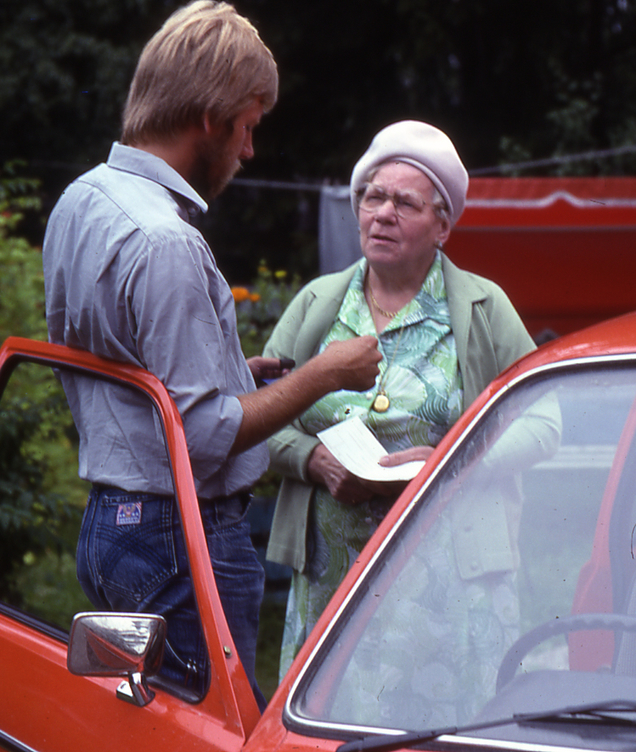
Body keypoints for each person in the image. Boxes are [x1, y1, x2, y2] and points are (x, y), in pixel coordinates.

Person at [41, 1, 382, 705]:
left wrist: (232, 374)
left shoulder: (82, 201)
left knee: (135, 730)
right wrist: (325, 374)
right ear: (211, 117)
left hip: (112, 529)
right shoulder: (167, 243)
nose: (250, 150)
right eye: (249, 128)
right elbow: (198, 438)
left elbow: (121, 368)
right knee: (210, 731)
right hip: (179, 539)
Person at [263, 120, 562, 679]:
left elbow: (545, 418)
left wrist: (450, 462)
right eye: (373, 197)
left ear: (442, 225)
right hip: (334, 582)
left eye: (405, 203)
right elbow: (259, 415)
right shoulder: (316, 304)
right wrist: (311, 460)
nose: (383, 213)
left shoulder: (482, 307)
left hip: (453, 587)